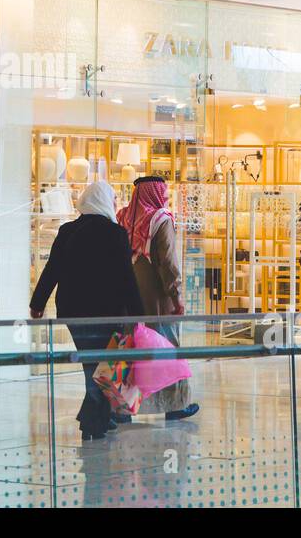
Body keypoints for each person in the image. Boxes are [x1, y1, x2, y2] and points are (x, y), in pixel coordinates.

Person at [30, 180, 142, 440]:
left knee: (91, 364)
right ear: (103, 201)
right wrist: (139, 314)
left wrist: (37, 302)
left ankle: (96, 418)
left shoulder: (68, 230)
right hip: (107, 313)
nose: (116, 204)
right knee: (101, 365)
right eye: (113, 200)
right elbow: (127, 278)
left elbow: (52, 269)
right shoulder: (115, 234)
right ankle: (94, 422)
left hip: (73, 311)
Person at [116, 175, 199, 421]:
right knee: (167, 349)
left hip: (129, 299)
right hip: (158, 300)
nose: (164, 195)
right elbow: (168, 263)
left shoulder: (122, 218)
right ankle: (175, 405)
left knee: (130, 349)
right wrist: (177, 296)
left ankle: (123, 408)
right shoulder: (161, 219)